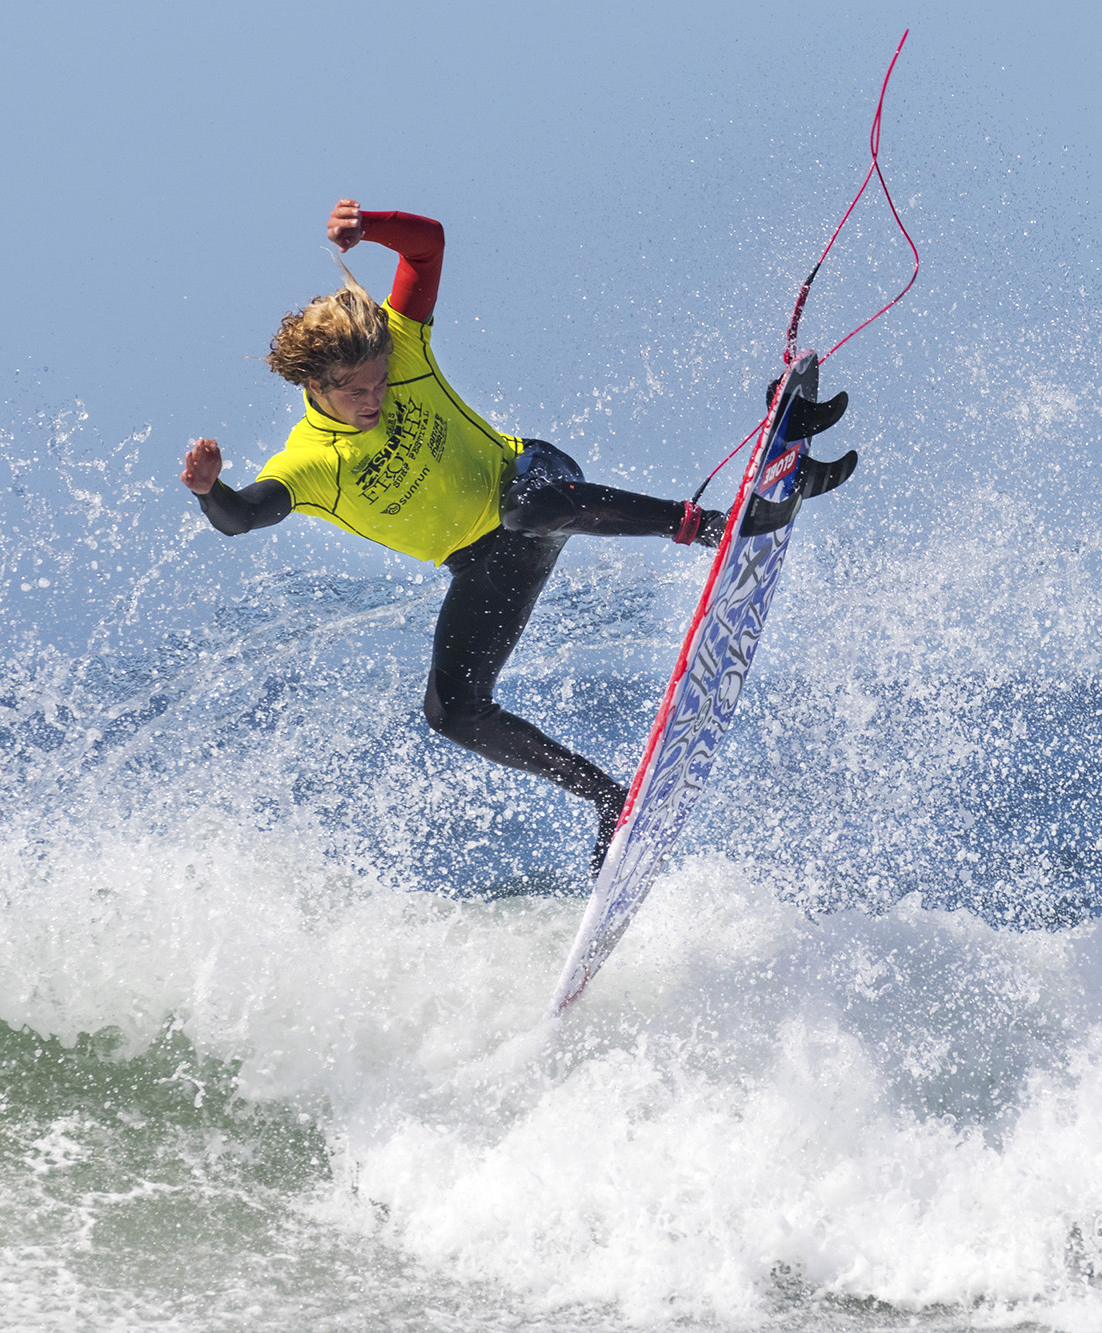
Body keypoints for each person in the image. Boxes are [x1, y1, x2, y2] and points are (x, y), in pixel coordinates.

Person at [181, 199, 841, 874]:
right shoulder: (311, 464)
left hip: (533, 478)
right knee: (453, 710)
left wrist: (371, 227)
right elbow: (246, 515)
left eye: (381, 380)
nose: (378, 396)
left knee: (528, 508)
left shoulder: (401, 346)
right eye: (359, 391)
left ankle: (710, 528)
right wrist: (212, 492)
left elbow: (428, 246)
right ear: (318, 385)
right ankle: (606, 798)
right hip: (485, 562)